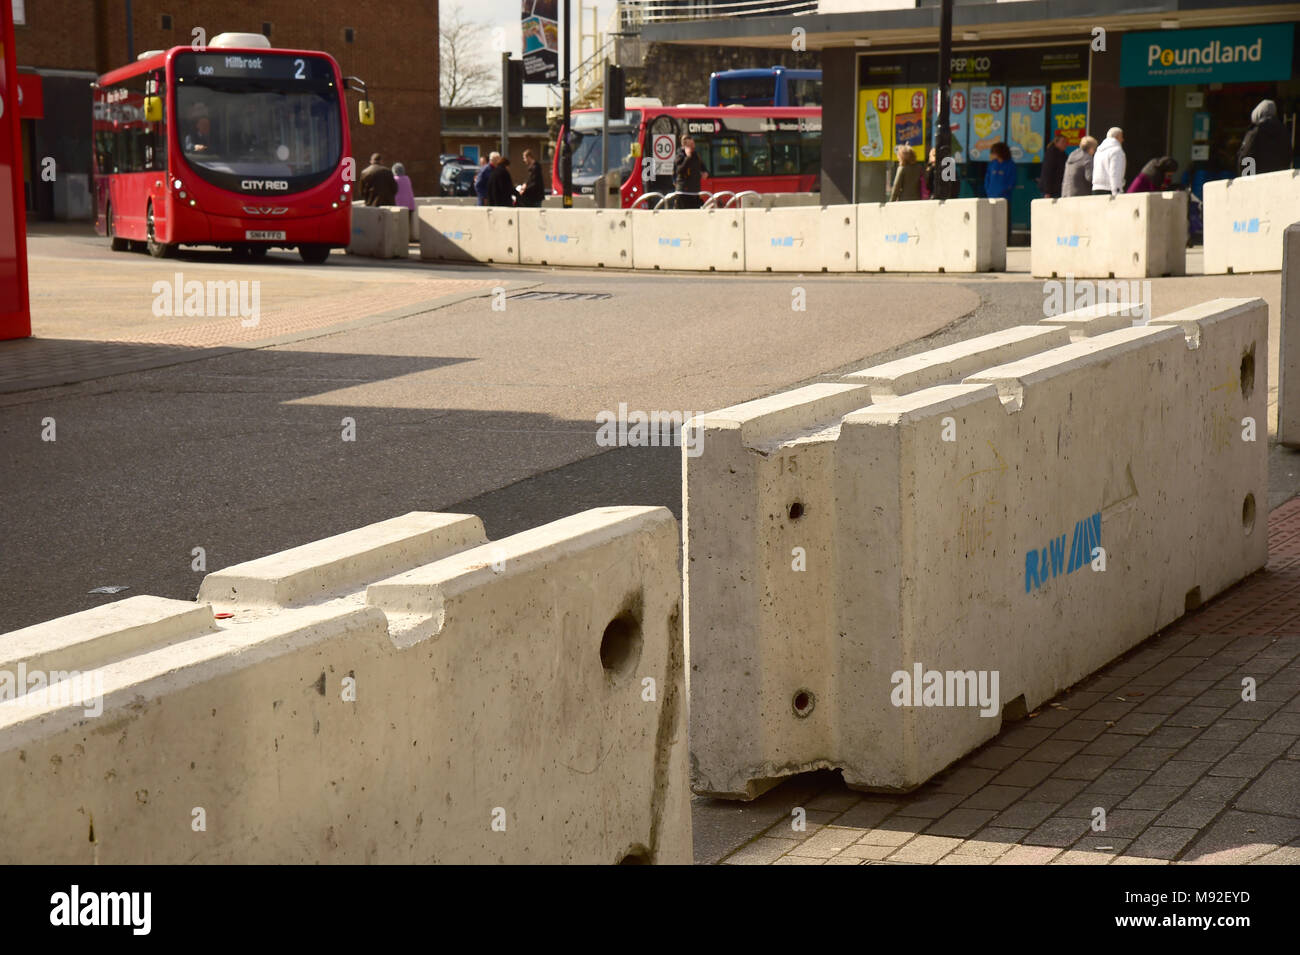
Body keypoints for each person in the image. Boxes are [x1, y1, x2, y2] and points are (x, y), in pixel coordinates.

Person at [1236, 99, 1292, 176]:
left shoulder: (1255, 132)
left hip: (1258, 178)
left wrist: (1247, 178)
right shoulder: (1284, 131)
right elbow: (1288, 155)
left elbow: (1246, 156)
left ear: (1258, 114)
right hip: (1280, 177)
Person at [984, 142, 1016, 245]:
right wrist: (988, 190)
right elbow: (987, 179)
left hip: (1004, 198)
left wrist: (1004, 190)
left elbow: (1012, 182)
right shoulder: (992, 164)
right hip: (991, 197)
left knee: (1004, 220)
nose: (992, 154)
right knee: (992, 220)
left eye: (994, 152)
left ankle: (1006, 241)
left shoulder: (1010, 165)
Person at [672, 136, 705, 209]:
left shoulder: (696, 155)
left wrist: (705, 172)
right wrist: (688, 158)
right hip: (683, 192)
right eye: (691, 144)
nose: (693, 146)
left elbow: (703, 167)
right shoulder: (680, 155)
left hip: (695, 191)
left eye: (693, 144)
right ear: (685, 146)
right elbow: (679, 170)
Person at [1091, 127, 1126, 196]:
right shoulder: (1117, 151)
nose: (1122, 140)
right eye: (1121, 137)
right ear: (1117, 137)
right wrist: (1116, 191)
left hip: (1096, 188)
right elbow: (1115, 172)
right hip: (1109, 189)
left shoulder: (1099, 151)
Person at [1038, 134, 1069, 198]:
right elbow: (1047, 172)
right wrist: (1047, 191)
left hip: (1058, 189)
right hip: (1051, 191)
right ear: (1056, 143)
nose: (1065, 144)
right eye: (1063, 142)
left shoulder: (1063, 155)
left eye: (1066, 142)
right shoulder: (1051, 154)